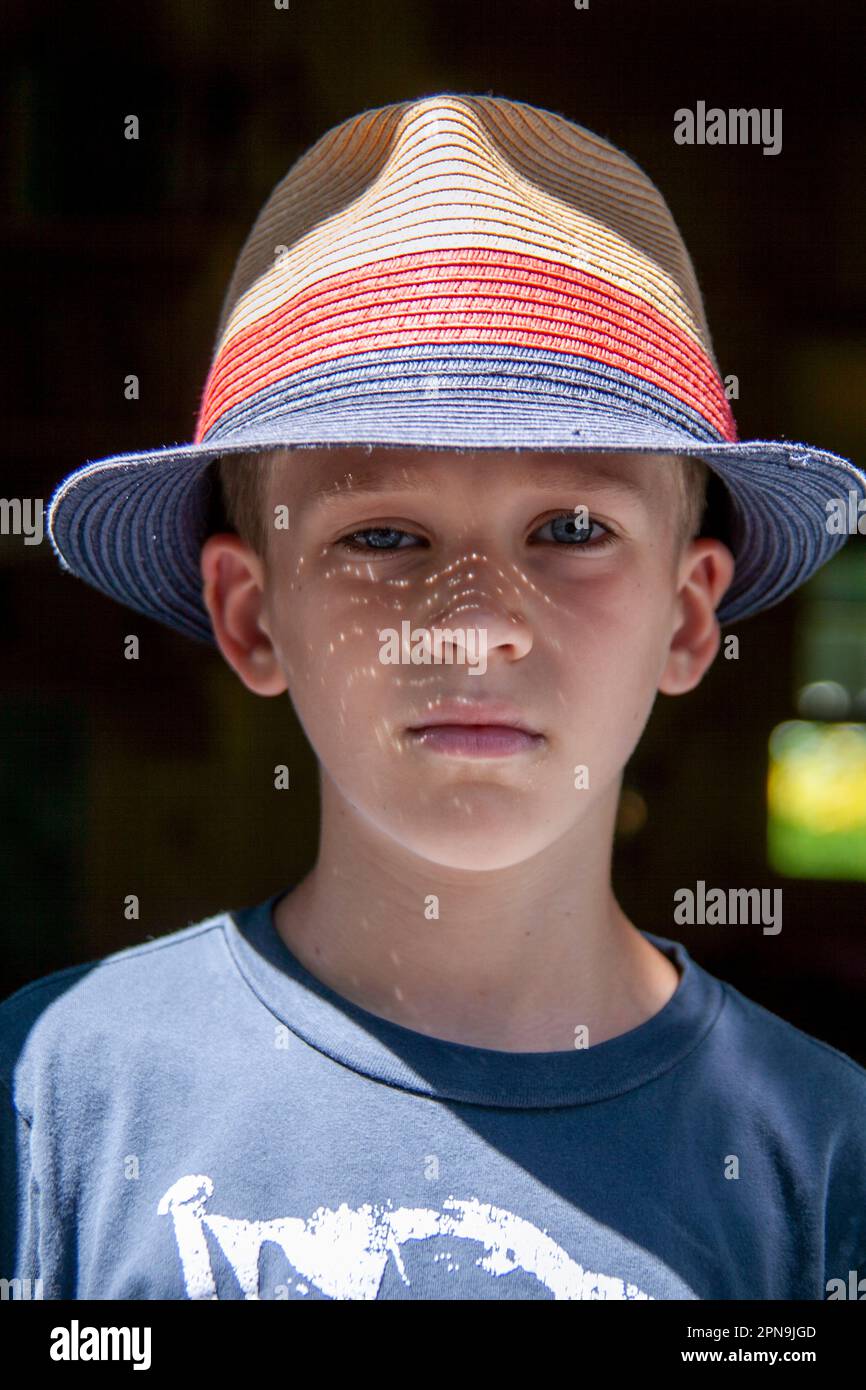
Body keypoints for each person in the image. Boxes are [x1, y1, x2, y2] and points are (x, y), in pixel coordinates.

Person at [3, 93, 865, 1301]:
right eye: (383, 534)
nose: (471, 621)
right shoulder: (51, 1104)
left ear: (686, 614)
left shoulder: (824, 1160)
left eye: (571, 527)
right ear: (251, 615)